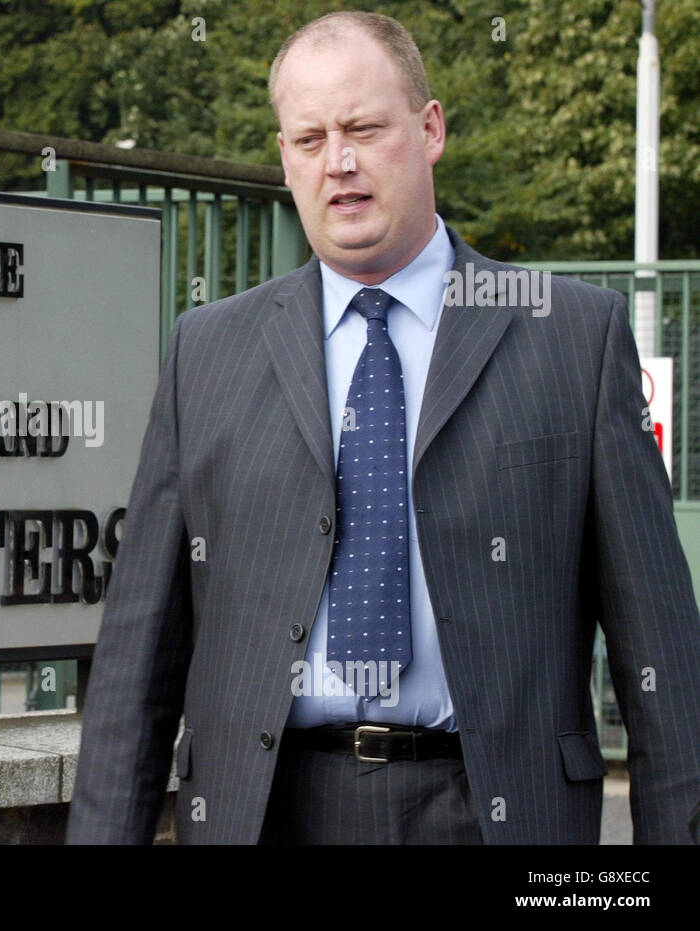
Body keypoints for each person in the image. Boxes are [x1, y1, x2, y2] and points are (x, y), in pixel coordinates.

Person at [66, 10, 700, 844]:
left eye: (364, 127)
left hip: (498, 815)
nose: (340, 163)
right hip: (267, 812)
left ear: (430, 128)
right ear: (285, 155)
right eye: (309, 138)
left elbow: (664, 665)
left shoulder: (573, 338)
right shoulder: (206, 353)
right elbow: (134, 668)